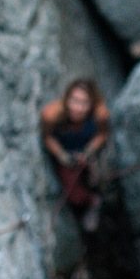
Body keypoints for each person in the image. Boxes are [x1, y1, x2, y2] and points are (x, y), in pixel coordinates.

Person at [40, 78, 110, 232]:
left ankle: (97, 189)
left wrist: (89, 151)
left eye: (84, 103)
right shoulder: (51, 115)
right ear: (66, 99)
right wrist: (62, 156)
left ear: (91, 104)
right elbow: (47, 137)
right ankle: (91, 202)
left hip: (88, 149)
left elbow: (102, 135)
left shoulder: (100, 114)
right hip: (66, 151)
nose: (78, 108)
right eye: (74, 100)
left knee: (95, 179)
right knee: (75, 195)